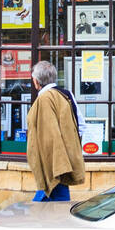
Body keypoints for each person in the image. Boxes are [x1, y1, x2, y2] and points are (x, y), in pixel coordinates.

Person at [26, 60, 86, 202]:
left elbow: (48, 138)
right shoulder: (66, 94)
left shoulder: (45, 99)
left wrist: (57, 161)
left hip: (53, 164)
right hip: (63, 162)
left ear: (36, 81)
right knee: (55, 202)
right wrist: (70, 151)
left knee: (50, 204)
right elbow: (81, 126)